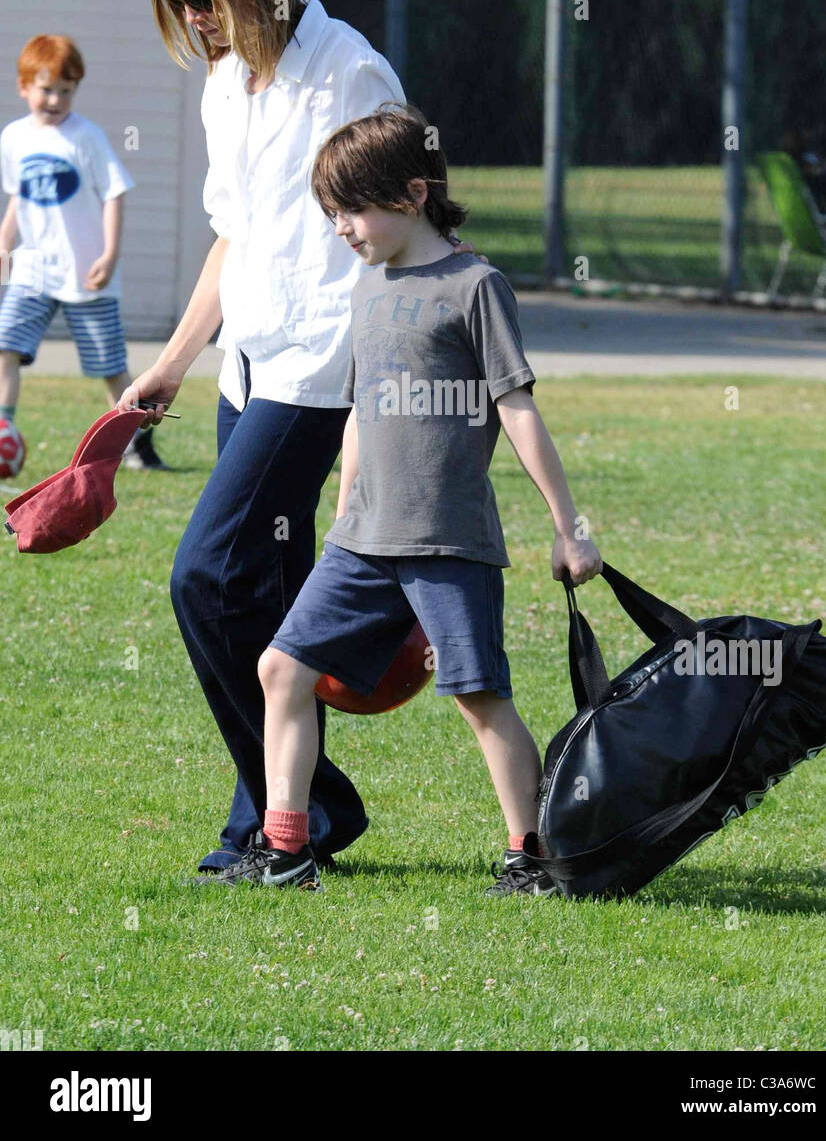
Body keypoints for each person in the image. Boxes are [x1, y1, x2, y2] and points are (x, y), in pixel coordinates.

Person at [119, 0, 476, 872]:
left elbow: (397, 246)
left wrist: (382, 405)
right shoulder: (223, 85)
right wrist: (173, 361)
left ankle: (312, 806)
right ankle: (273, 825)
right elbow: (235, 235)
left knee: (202, 577)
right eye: (175, 2)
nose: (192, 20)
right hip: (246, 365)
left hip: (321, 371)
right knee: (265, 608)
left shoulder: (350, 75)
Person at [202, 104, 602, 897]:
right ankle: (287, 850)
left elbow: (518, 410)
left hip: (447, 542)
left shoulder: (475, 286)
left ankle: (531, 857)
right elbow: (359, 412)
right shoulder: (366, 289)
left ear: (413, 193)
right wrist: (345, 508)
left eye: (351, 210)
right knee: (281, 669)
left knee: (479, 697)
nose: (341, 228)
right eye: (331, 214)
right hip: (361, 542)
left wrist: (569, 527)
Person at [0, 35, 165, 471]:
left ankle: (137, 447)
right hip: (33, 270)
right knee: (4, 346)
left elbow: (114, 194)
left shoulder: (86, 137)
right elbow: (18, 195)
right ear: (23, 87)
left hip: (86, 274)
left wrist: (109, 255)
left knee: (110, 367)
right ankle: (3, 432)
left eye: (66, 91)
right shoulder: (13, 137)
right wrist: (4, 241)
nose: (55, 99)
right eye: (46, 89)